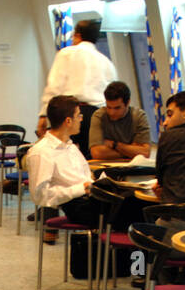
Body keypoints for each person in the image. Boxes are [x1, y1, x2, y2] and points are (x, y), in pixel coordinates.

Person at [38, 19, 117, 158]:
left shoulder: (66, 53)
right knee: (90, 157)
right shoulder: (106, 62)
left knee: (61, 155)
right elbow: (113, 93)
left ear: (77, 35)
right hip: (96, 114)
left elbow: (54, 86)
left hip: (69, 113)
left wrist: (44, 115)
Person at [27, 95, 98, 226]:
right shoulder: (42, 151)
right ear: (68, 121)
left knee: (131, 202)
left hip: (91, 198)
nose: (81, 119)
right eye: (79, 116)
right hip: (77, 205)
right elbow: (40, 195)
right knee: (130, 210)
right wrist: (81, 189)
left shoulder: (70, 147)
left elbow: (86, 176)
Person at [85, 81, 151, 162]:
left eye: (117, 108)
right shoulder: (99, 116)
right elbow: (97, 153)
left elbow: (145, 153)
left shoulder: (139, 116)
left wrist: (115, 145)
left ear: (128, 103)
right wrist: (131, 151)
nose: (111, 112)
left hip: (133, 166)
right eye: (108, 107)